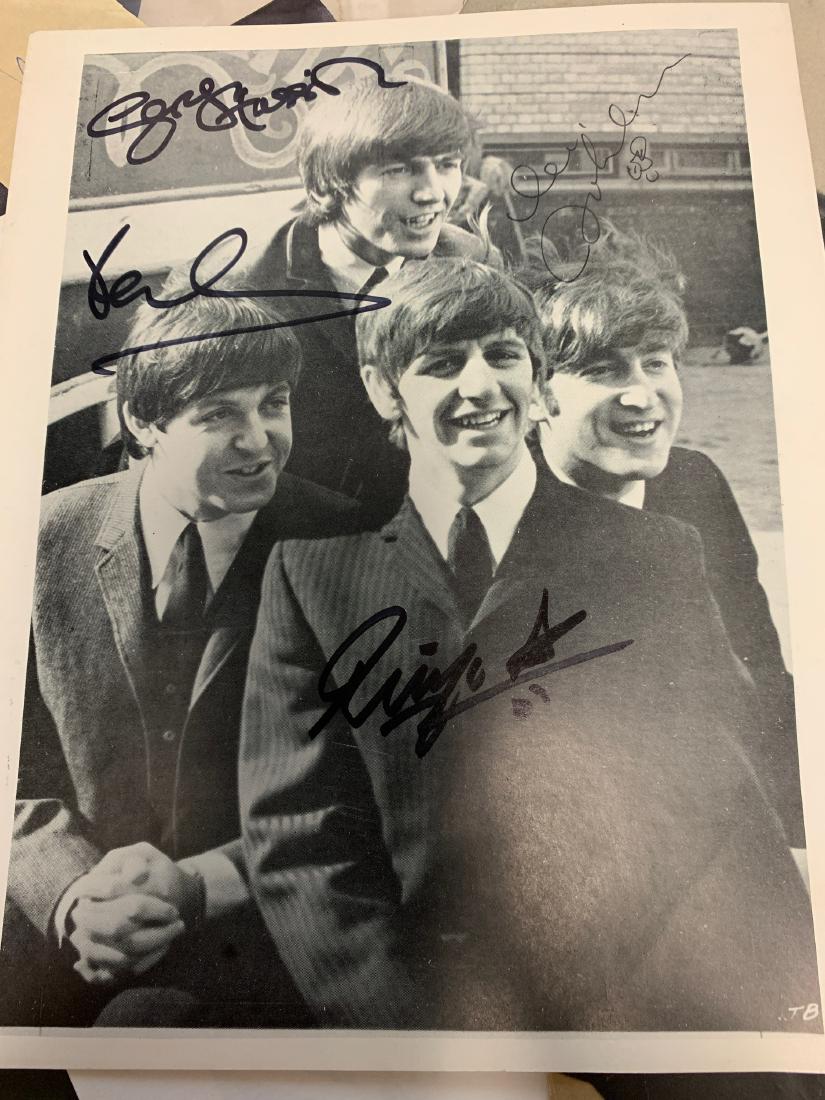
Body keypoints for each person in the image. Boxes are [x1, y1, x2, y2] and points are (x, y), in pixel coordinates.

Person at [240, 258, 820, 1032]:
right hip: (411, 1014)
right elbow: (298, 833)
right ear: (383, 390)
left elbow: (707, 792)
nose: (479, 387)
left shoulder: (654, 553)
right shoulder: (313, 580)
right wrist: (402, 1024)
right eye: (442, 365)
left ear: (537, 375)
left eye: (504, 356)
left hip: (630, 999)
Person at [2, 269, 358, 1027]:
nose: (260, 441)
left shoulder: (346, 546)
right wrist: (70, 896)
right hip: (53, 944)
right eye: (220, 413)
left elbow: (360, 792)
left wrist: (199, 885)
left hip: (261, 941)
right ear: (142, 421)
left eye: (275, 405)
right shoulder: (36, 538)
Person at [528, 231, 803, 845]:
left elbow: (759, 677)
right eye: (602, 369)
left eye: (655, 362)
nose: (641, 394)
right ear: (536, 396)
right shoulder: (504, 512)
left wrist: (794, 847)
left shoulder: (694, 483)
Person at [243, 75, 489, 525]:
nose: (432, 193)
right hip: (293, 540)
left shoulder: (467, 260)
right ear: (329, 181)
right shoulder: (247, 286)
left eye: (447, 164)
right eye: (398, 170)